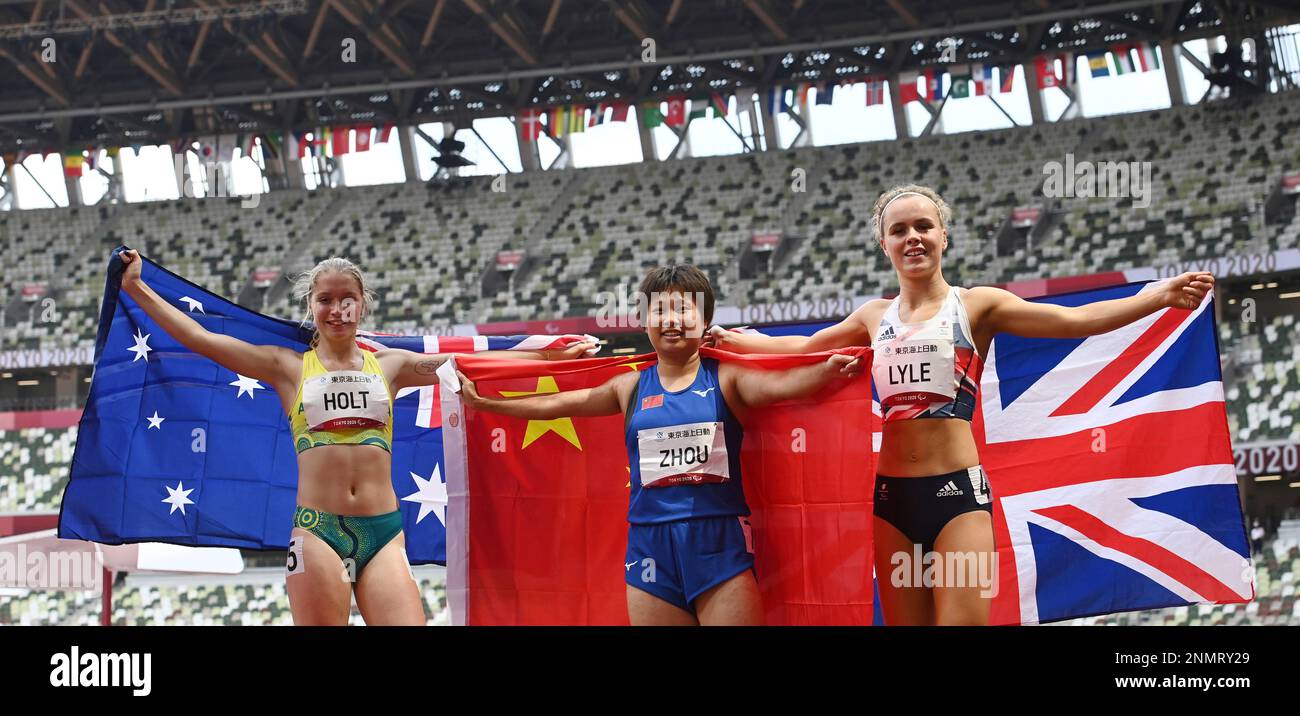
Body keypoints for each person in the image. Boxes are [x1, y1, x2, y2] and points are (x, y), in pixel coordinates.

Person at [707, 184, 1215, 625]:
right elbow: (806, 347)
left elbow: (1075, 321)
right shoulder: (872, 316)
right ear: (884, 245)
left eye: (923, 226)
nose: (913, 238)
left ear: (943, 236)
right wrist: (734, 340)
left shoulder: (976, 305)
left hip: (958, 500)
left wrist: (1157, 296)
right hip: (891, 503)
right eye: (899, 230)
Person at [118, 250, 592, 625]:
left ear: (362, 303)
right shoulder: (286, 368)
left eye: (347, 298)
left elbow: (472, 367)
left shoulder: (392, 366)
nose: (337, 309)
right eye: (325, 299)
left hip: (383, 534)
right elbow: (203, 339)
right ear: (311, 306)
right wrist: (137, 287)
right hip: (316, 531)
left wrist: (551, 359)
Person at [457, 265, 862, 625]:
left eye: (684, 309)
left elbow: (784, 386)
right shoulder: (628, 387)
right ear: (645, 322)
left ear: (705, 321)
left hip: (719, 544)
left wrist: (825, 371)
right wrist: (487, 403)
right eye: (660, 310)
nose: (671, 320)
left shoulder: (727, 379)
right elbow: (558, 404)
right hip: (650, 549)